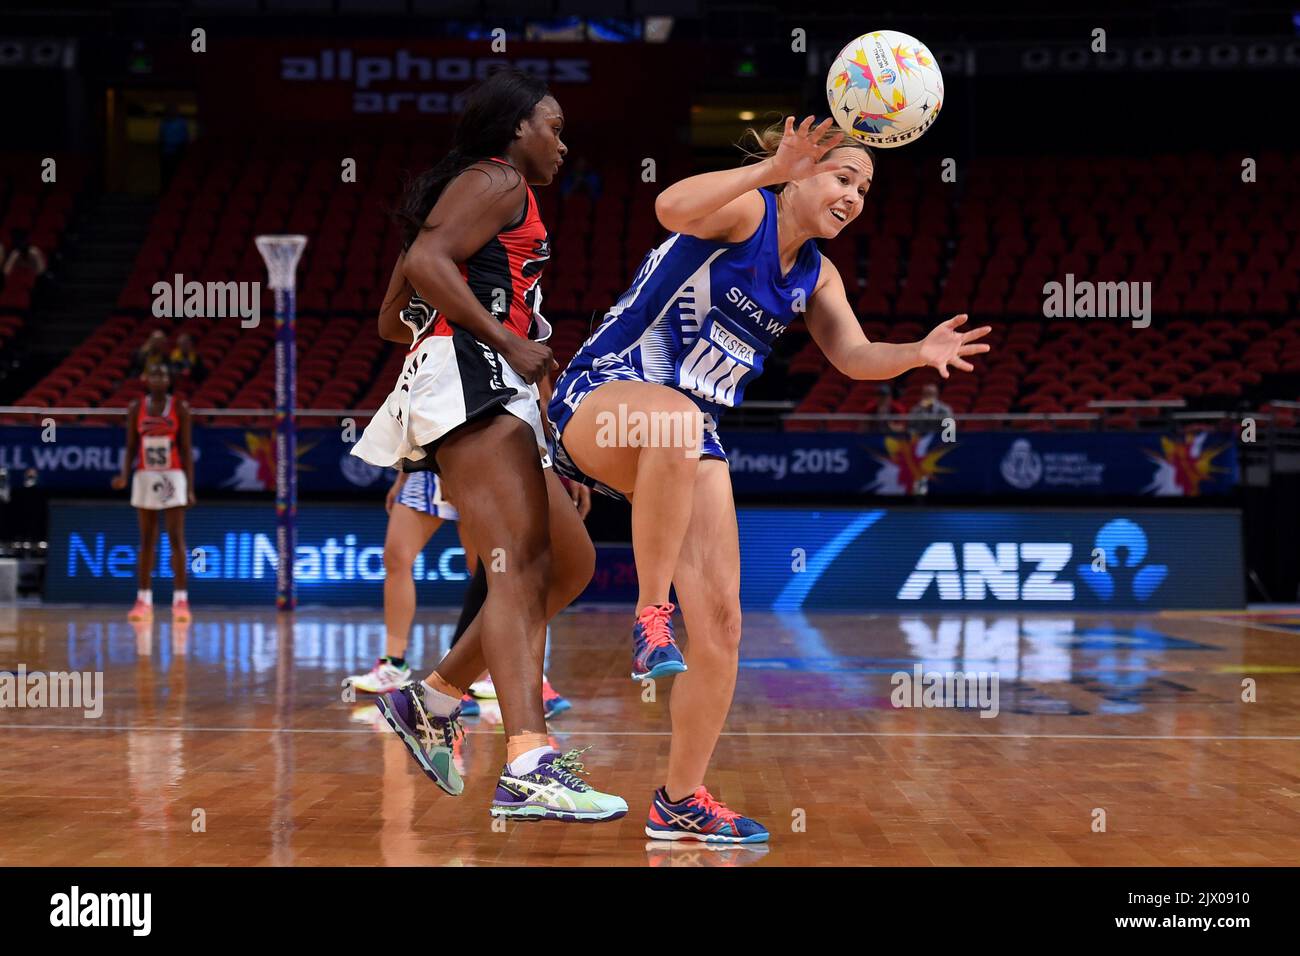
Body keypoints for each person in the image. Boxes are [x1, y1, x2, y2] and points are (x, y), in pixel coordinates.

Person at [547, 116, 991, 843]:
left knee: (723, 623)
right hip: (605, 394)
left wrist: (916, 351)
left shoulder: (818, 274)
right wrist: (767, 172)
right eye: (843, 177)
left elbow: (852, 354)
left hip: (688, 439)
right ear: (801, 173)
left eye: (865, 188)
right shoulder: (748, 209)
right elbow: (669, 209)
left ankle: (679, 800)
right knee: (677, 424)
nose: (854, 195)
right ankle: (649, 616)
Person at [351, 68, 623, 822]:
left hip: (490, 382)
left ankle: (432, 698)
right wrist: (498, 336)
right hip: (470, 378)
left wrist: (541, 418)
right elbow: (425, 266)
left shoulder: (495, 194)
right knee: (516, 569)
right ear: (515, 130)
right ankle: (530, 759)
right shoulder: (498, 178)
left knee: (568, 564)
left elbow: (392, 316)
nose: (563, 143)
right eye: (554, 126)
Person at [111, 363, 195, 622]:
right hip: (145, 475)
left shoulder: (180, 407)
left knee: (175, 539)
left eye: (163, 374)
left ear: (169, 380)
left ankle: (180, 600)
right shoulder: (136, 407)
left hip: (172, 475)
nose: (159, 378)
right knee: (147, 539)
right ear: (146, 379)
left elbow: (186, 448)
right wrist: (125, 475)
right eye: (154, 374)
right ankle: (143, 599)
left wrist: (190, 487)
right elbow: (130, 445)